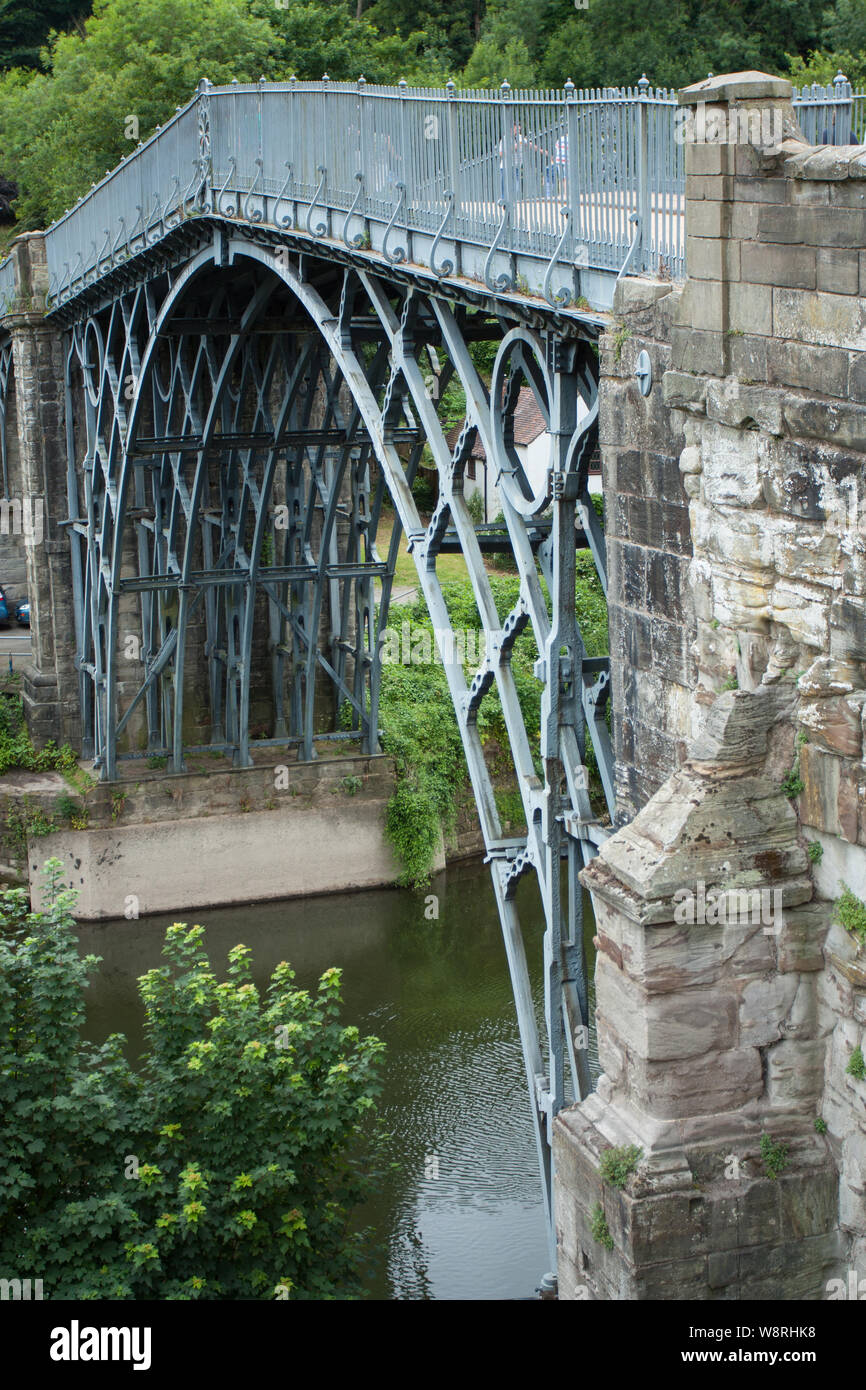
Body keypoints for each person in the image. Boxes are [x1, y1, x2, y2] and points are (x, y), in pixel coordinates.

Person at [498, 123, 547, 203]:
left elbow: (530, 145)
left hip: (516, 165)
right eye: (516, 129)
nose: (518, 130)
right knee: (505, 186)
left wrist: (543, 151)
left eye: (519, 129)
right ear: (511, 129)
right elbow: (501, 153)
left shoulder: (520, 137)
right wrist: (514, 147)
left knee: (516, 185)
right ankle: (504, 202)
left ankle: (511, 200)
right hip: (505, 166)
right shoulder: (504, 139)